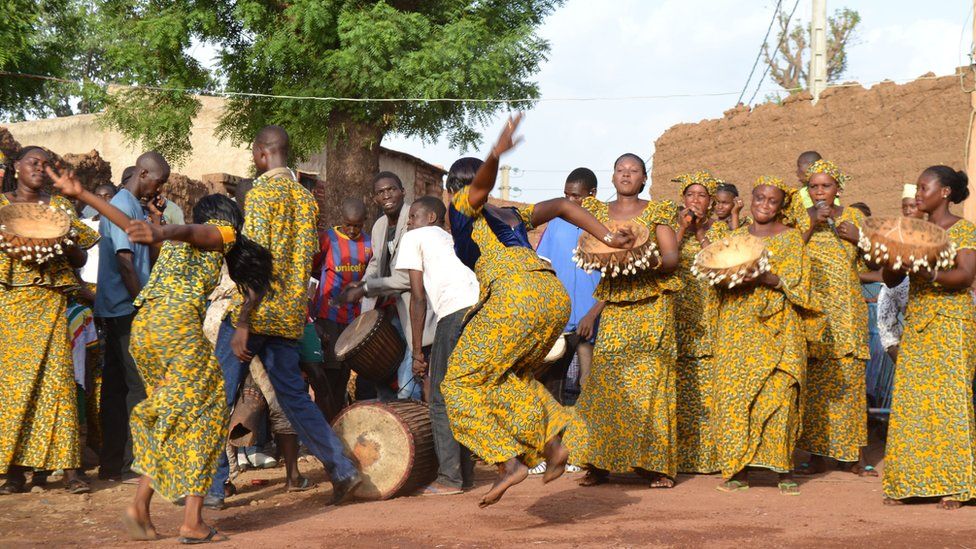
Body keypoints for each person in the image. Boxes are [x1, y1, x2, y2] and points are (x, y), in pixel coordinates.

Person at [52, 164, 274, 540]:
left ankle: (140, 505)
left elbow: (128, 225)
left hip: (144, 331)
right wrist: (166, 228)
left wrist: (85, 197)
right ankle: (193, 521)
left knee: (172, 418)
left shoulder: (173, 243)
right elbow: (192, 229)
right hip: (176, 331)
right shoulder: (217, 233)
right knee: (207, 419)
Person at [442, 113, 634, 507]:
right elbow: (565, 205)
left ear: (450, 191)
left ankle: (507, 462)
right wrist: (609, 237)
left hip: (515, 299)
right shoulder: (511, 213)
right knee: (506, 377)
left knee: (458, 385)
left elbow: (478, 191)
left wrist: (494, 154)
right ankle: (552, 442)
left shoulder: (463, 209)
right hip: (551, 294)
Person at [206, 125, 362, 510]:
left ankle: (211, 489)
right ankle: (342, 469)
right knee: (296, 400)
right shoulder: (307, 200)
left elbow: (256, 261)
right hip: (290, 317)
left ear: (261, 153)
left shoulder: (260, 195)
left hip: (252, 315)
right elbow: (309, 256)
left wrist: (243, 321)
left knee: (218, 398)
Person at [564, 154, 681, 489]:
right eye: (620, 170)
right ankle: (598, 463)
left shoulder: (658, 209)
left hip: (651, 308)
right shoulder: (598, 214)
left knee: (651, 387)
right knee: (606, 384)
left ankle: (656, 466)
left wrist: (647, 262)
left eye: (633, 171)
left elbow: (672, 257)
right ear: (612, 177)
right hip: (615, 308)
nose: (626, 175)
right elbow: (588, 248)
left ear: (644, 179)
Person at [0, 146, 99, 495]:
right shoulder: (1, 207)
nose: (40, 169)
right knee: (15, 387)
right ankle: (14, 471)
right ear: (17, 166)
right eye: (33, 162)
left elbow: (81, 255)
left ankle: (70, 470)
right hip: (10, 305)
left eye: (45, 164)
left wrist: (62, 243)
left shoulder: (59, 207)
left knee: (59, 383)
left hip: (51, 302)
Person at [881, 166, 976, 510]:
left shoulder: (965, 230)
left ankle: (956, 485)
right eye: (918, 189)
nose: (918, 194)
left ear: (945, 192)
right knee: (912, 402)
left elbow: (965, 275)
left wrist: (929, 272)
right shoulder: (912, 230)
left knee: (950, 403)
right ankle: (909, 482)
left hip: (952, 324)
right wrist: (896, 253)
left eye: (924, 188)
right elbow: (891, 280)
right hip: (919, 323)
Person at [714, 176, 813, 496]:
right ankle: (738, 469)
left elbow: (800, 283)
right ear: (751, 199)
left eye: (772, 201)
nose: (764, 205)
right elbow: (716, 277)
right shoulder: (735, 237)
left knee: (780, 396)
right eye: (759, 198)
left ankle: (782, 469)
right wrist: (728, 276)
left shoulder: (792, 239)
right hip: (738, 328)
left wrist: (768, 277)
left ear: (781, 206)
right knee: (737, 398)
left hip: (781, 327)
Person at [793, 160, 872, 477]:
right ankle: (815, 456)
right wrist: (812, 221)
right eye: (814, 186)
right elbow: (787, 250)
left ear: (838, 189)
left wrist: (859, 238)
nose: (820, 192)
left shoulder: (854, 217)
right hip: (815, 312)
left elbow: (875, 259)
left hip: (847, 313)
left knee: (851, 384)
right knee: (814, 386)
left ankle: (854, 456)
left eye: (826, 186)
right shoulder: (800, 218)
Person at [395, 196, 478, 496]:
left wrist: (417, 351)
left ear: (431, 217)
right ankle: (465, 474)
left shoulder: (415, 237)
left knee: (440, 398)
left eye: (414, 215)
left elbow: (417, 298)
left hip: (454, 312)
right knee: (462, 393)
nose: (409, 220)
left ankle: (449, 478)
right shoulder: (448, 238)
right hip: (478, 308)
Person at [95, 152, 167, 481]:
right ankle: (131, 463)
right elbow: (125, 262)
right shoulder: (123, 205)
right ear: (143, 173)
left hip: (119, 307)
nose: (159, 187)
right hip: (125, 308)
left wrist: (155, 217)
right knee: (136, 387)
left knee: (114, 387)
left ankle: (111, 463)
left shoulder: (135, 206)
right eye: (158, 180)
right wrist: (142, 304)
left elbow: (148, 254)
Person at [340, 172, 435, 401]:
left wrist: (366, 288)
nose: (387, 196)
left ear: (403, 191)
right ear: (375, 198)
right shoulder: (380, 225)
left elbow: (406, 279)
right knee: (381, 377)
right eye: (381, 192)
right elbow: (375, 262)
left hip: (416, 312)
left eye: (391, 189)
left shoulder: (415, 219)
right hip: (389, 311)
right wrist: (364, 282)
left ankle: (415, 431)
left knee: (407, 387)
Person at [672, 171, 726, 475]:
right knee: (679, 390)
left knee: (706, 392)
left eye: (702, 196)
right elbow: (665, 257)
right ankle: (677, 457)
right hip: (678, 318)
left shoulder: (718, 232)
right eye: (690, 195)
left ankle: (707, 458)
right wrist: (682, 230)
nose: (695, 200)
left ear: (710, 202)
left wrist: (702, 232)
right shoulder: (670, 228)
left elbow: (719, 261)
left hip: (708, 318)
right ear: (683, 200)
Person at [534, 168, 602, 394]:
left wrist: (593, 315)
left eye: (576, 196)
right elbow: (544, 265)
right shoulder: (555, 223)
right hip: (560, 319)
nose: (570, 201)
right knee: (552, 384)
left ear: (592, 194)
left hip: (591, 319)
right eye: (566, 195)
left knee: (589, 385)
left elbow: (615, 277)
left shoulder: (603, 226)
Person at [310, 198, 372, 419]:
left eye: (357, 226)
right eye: (348, 225)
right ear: (342, 221)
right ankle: (325, 425)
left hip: (353, 320)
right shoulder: (328, 239)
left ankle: (336, 423)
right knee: (327, 374)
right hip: (327, 316)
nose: (353, 230)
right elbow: (313, 269)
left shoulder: (369, 244)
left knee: (343, 374)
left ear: (364, 222)